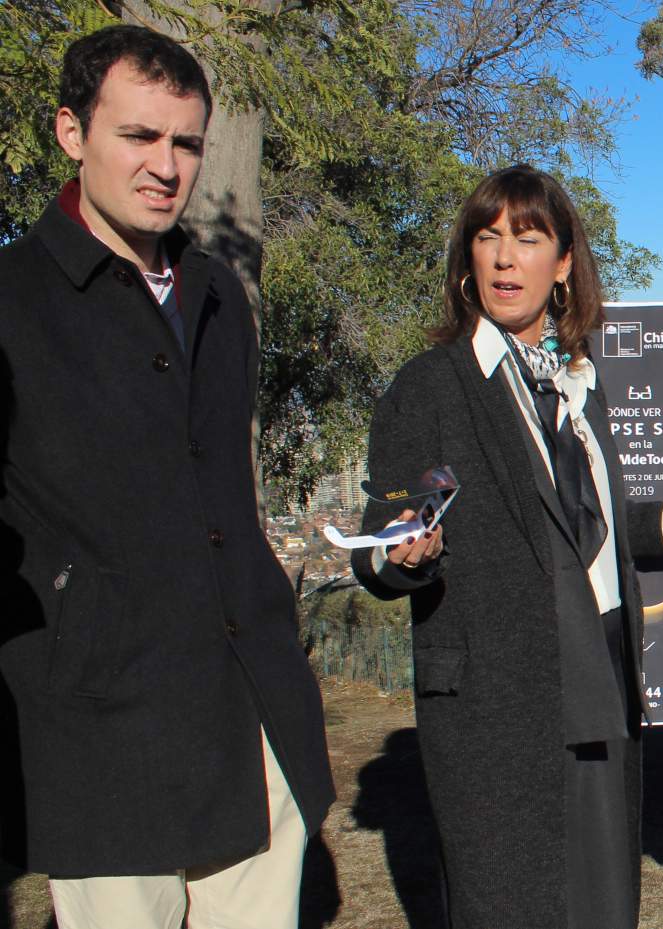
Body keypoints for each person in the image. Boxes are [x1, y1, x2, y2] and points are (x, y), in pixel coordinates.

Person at [349, 164, 663, 928]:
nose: (502, 258)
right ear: (466, 264)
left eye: (526, 238)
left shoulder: (579, 385)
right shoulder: (431, 385)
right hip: (497, 702)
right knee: (512, 906)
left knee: (600, 903)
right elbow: (382, 527)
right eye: (486, 239)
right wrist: (396, 552)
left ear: (562, 264)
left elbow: (591, 518)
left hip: (600, 676)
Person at [0, 25, 334, 928]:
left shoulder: (220, 294)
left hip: (253, 705)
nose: (166, 165)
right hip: (100, 730)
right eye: (138, 136)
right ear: (71, 133)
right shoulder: (12, 302)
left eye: (185, 142)